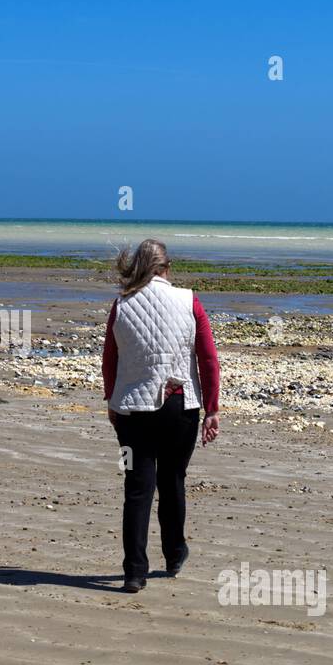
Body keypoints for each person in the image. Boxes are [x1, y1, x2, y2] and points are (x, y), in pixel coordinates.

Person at [102, 239, 220, 593]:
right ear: (167, 267)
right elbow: (208, 358)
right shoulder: (189, 300)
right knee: (173, 480)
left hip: (131, 411)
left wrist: (111, 401)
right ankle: (174, 552)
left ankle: (134, 572)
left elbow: (110, 358)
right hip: (179, 406)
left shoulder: (121, 304)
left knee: (137, 488)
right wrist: (212, 409)